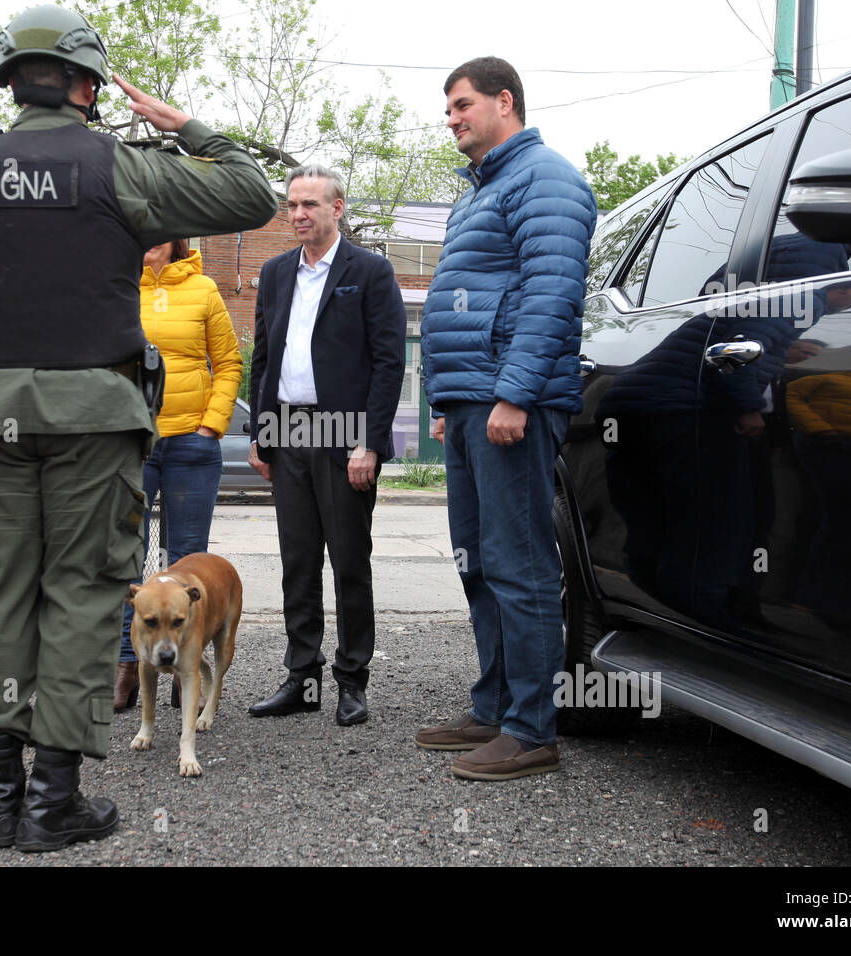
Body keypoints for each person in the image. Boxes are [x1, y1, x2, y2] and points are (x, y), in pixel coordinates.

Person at [0, 5, 276, 853]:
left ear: (11, 83)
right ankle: (53, 802)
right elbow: (251, 193)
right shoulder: (121, 166)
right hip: (95, 425)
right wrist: (186, 125)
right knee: (81, 599)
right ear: (89, 86)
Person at [415, 58, 596, 779]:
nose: (452, 118)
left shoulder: (546, 178)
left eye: (461, 106)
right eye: (448, 110)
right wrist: (443, 400)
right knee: (480, 561)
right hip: (472, 402)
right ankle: (492, 707)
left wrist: (515, 394)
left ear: (503, 101)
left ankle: (532, 729)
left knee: (521, 566)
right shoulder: (478, 194)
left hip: (509, 402)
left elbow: (553, 294)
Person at [246, 163, 406, 727]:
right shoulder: (273, 273)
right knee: (297, 559)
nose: (298, 215)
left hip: (343, 431)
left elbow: (390, 363)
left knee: (349, 559)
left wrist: (369, 442)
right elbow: (262, 357)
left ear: (337, 208)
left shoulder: (370, 271)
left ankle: (352, 679)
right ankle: (302, 677)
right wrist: (262, 434)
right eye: (292, 205)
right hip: (287, 429)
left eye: (310, 204)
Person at [114, 239, 242, 711]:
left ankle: (183, 667)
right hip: (132, 441)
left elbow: (228, 363)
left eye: (157, 234)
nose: (146, 242)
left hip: (192, 439)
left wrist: (212, 425)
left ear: (175, 242)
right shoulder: (118, 287)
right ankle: (130, 664)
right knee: (127, 551)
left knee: (187, 559)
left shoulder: (205, 289)